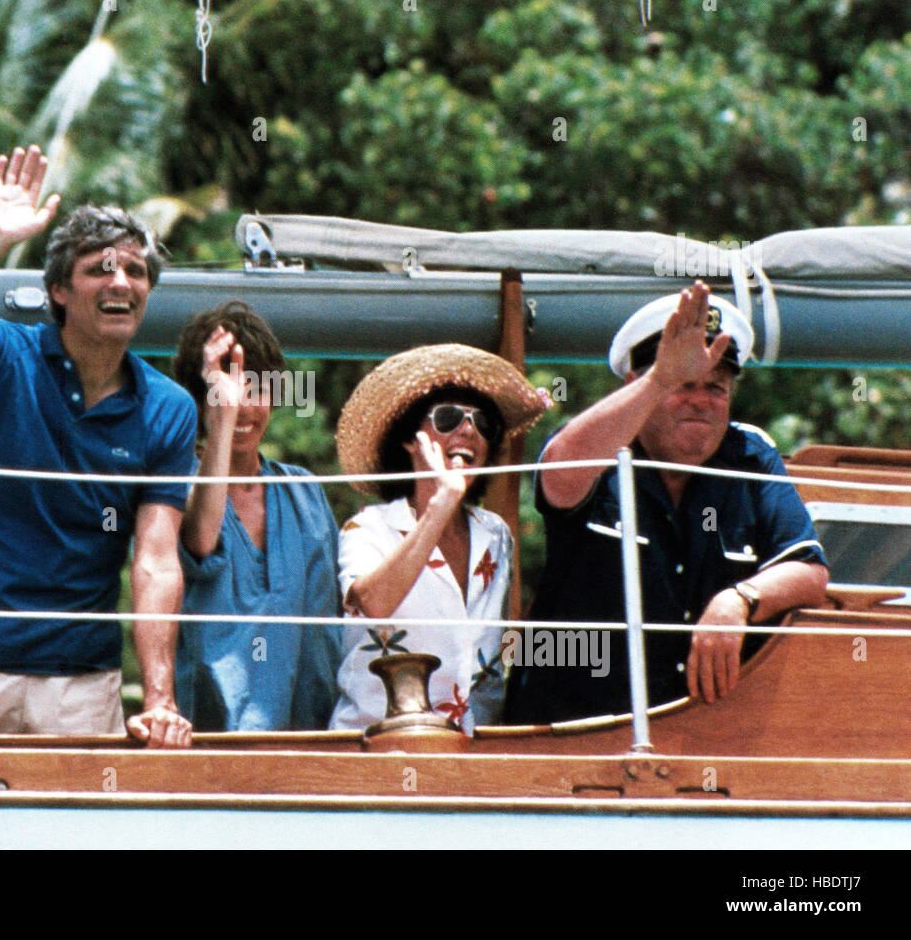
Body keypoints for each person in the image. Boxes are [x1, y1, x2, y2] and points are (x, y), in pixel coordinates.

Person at [0, 144, 195, 747]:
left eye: (135, 272)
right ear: (59, 290)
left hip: (80, 681)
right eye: (100, 269)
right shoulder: (2, 353)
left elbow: (156, 561)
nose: (121, 282)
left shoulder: (169, 408)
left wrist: (160, 700)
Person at [504, 281, 829, 725]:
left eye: (716, 386)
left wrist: (739, 600)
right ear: (635, 385)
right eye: (683, 383)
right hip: (567, 736)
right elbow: (559, 473)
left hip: (705, 739)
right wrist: (661, 378)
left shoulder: (751, 455)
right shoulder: (598, 450)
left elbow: (809, 571)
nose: (700, 400)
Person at [328, 344, 549, 732]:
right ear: (410, 439)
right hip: (372, 745)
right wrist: (443, 501)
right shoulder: (367, 527)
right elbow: (374, 602)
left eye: (484, 424)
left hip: (470, 753)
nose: (468, 429)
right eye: (448, 418)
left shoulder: (495, 534)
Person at [169, 302, 340, 731]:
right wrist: (220, 418)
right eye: (227, 389)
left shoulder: (303, 491)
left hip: (310, 741)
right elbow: (200, 541)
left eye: (256, 389)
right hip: (208, 742)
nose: (243, 407)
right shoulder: (174, 485)